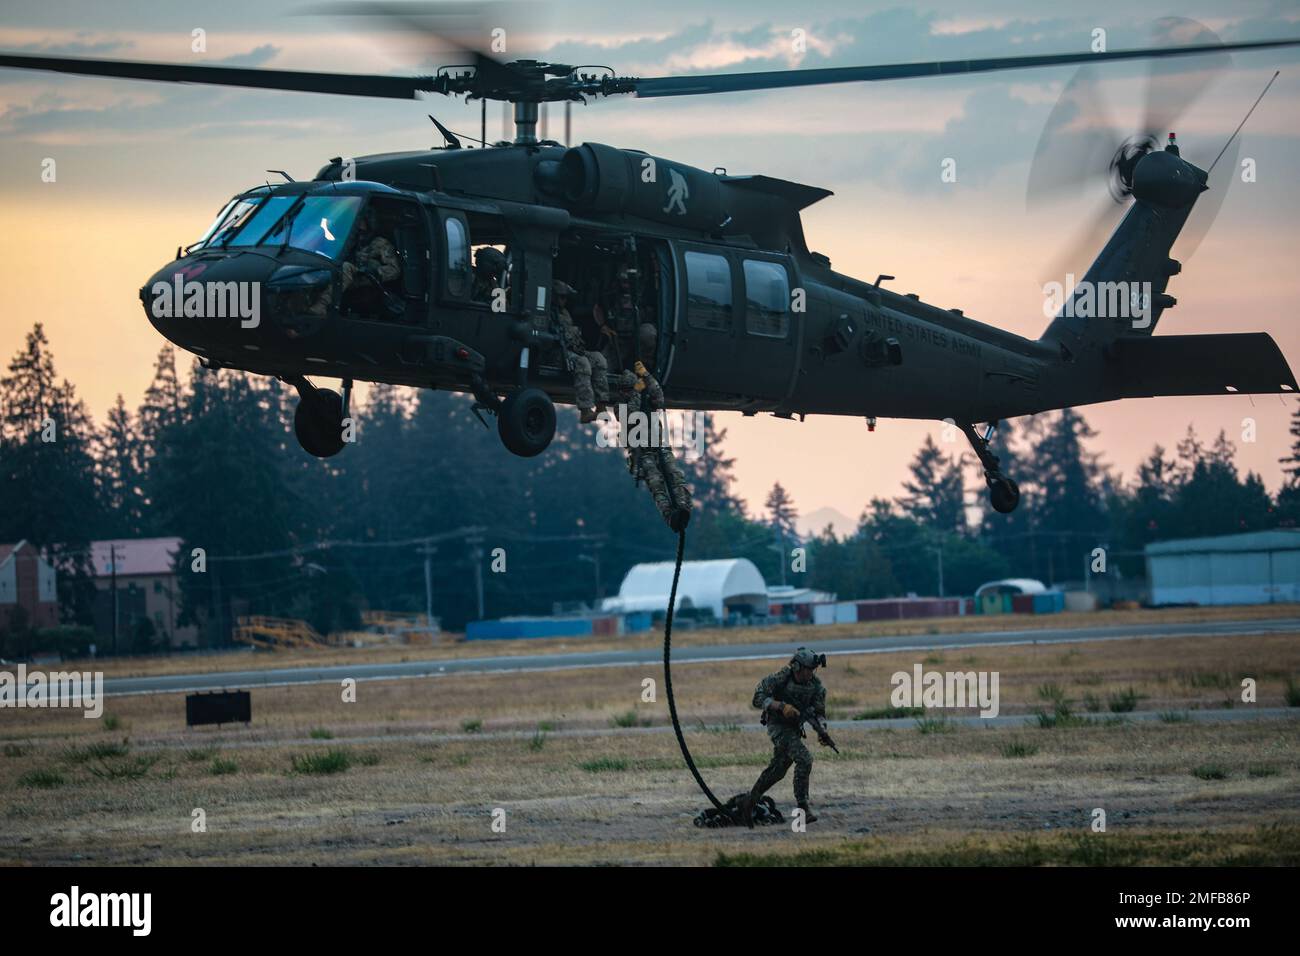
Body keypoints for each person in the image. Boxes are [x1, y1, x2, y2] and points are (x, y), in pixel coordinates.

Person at [742, 647, 830, 826]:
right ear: (797, 667)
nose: (810, 674)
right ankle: (803, 807)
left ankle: (748, 803)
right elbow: (757, 698)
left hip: (794, 729)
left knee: (777, 771)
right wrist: (780, 706)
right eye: (807, 670)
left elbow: (819, 713)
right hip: (778, 726)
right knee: (804, 759)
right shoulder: (781, 678)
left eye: (813, 670)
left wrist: (823, 730)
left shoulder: (816, 686)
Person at [610, 361, 692, 532]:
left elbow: (659, 397)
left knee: (675, 476)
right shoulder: (620, 406)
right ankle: (669, 516)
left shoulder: (645, 398)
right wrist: (636, 394)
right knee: (657, 484)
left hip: (660, 447)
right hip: (643, 454)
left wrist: (647, 376)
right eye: (626, 389)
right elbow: (632, 417)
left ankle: (683, 508)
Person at [308, 207, 400, 317]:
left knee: (346, 267)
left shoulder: (381, 243)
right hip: (345, 275)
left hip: (367, 277)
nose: (357, 224)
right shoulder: (350, 240)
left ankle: (321, 305)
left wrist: (376, 271)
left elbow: (394, 270)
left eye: (360, 220)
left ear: (368, 222)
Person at [550, 281, 608, 423]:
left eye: (564, 298)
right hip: (558, 354)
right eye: (560, 297)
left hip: (574, 350)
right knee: (583, 364)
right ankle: (586, 410)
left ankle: (601, 406)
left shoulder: (564, 313)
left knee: (599, 359)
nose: (562, 301)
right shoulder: (549, 313)